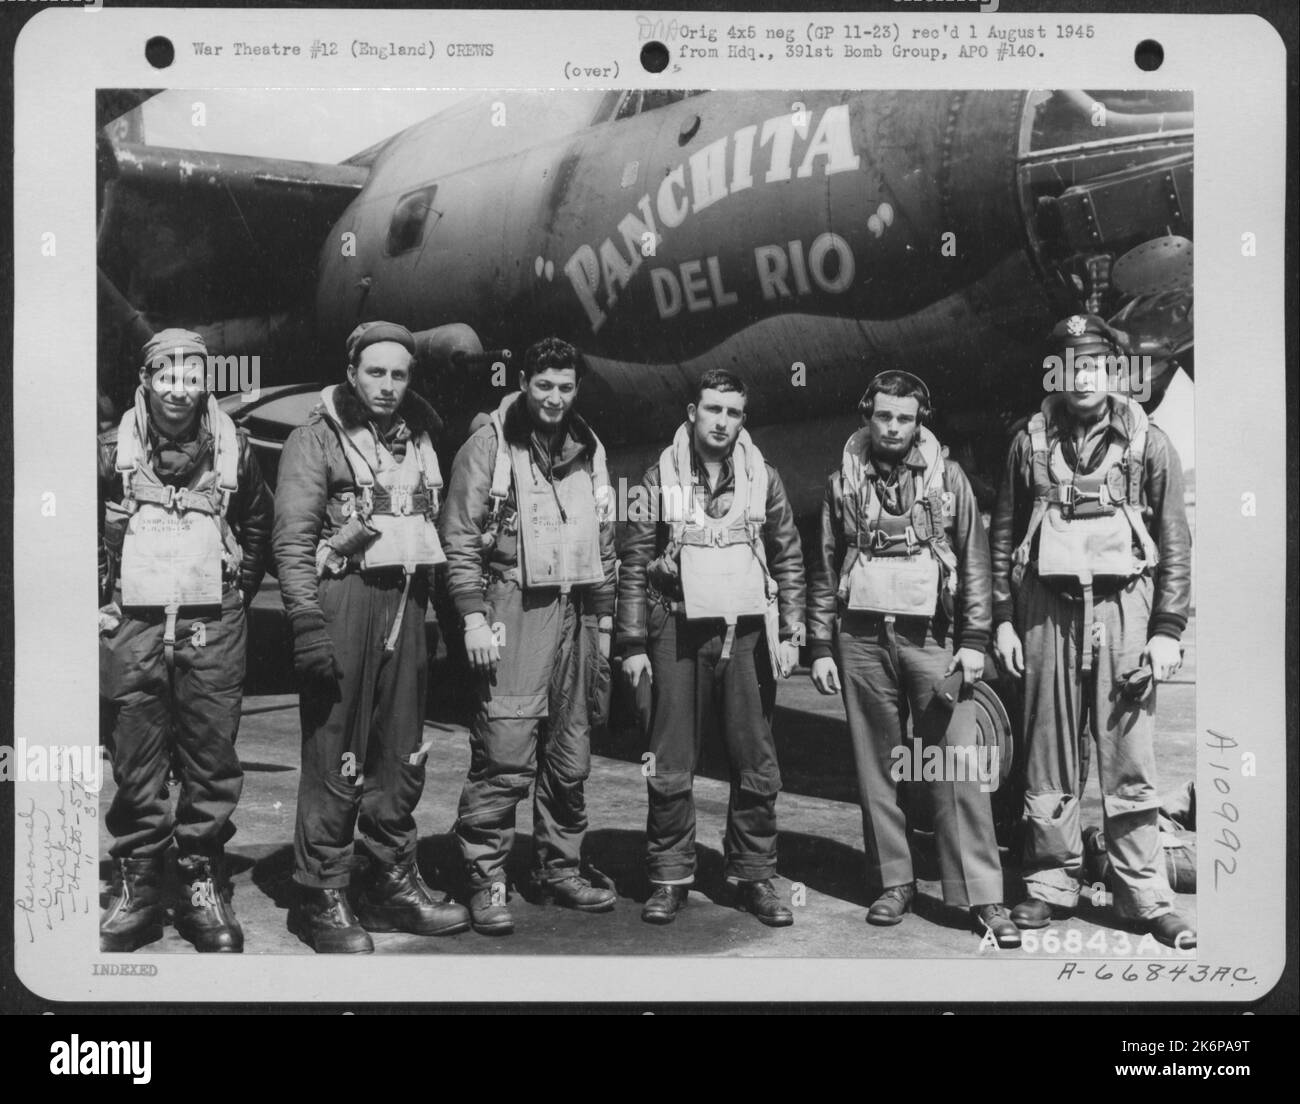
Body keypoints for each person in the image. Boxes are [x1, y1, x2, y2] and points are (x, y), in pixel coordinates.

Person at [990, 314, 1195, 948]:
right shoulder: (1028, 442)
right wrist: (1002, 620)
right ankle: (1051, 881)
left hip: (1124, 611)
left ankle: (1143, 894)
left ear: (1113, 369)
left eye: (1095, 364)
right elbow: (1003, 536)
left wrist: (1166, 629)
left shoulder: (1148, 443)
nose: (1082, 376)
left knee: (1129, 756)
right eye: (1069, 364)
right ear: (1054, 371)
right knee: (1048, 754)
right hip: (1046, 610)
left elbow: (1174, 541)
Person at [273, 321, 470, 953]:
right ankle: (320, 892)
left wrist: (443, 618)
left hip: (408, 601)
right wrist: (305, 621)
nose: (387, 386)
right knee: (339, 751)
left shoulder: (422, 437)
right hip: (346, 599)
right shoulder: (316, 438)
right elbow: (294, 541)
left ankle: (389, 884)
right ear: (353, 372)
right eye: (376, 373)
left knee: (401, 750)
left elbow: (433, 526)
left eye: (400, 374)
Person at [806, 370, 1020, 947]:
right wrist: (821, 646)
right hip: (861, 638)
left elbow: (974, 560)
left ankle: (981, 893)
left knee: (954, 763)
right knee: (877, 766)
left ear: (919, 419)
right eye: (883, 416)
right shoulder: (842, 484)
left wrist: (974, 642)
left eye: (904, 417)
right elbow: (825, 569)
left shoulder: (950, 481)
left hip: (932, 641)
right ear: (866, 416)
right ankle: (893, 881)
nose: (893, 427)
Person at [98, 329, 272, 953]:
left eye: (191, 377)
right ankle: (140, 883)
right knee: (135, 752)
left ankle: (201, 875)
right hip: (135, 621)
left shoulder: (235, 452)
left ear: (206, 383)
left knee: (211, 750)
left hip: (211, 619)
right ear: (146, 380)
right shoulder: (109, 454)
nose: (179, 389)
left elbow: (257, 524)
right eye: (166, 376)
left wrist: (236, 598)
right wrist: (99, 601)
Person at [440, 337, 618, 935]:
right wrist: (470, 614)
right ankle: (485, 875)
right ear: (523, 381)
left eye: (566, 387)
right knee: (507, 751)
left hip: (577, 611)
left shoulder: (588, 446)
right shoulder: (488, 444)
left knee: (570, 754)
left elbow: (606, 539)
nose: (554, 398)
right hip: (513, 605)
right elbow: (460, 536)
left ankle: (558, 867)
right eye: (544, 385)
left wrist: (607, 623)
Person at [617, 370, 805, 927]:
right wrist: (631, 643)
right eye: (713, 409)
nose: (722, 422)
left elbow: (788, 554)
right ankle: (670, 876)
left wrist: (792, 632)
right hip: (677, 628)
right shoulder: (659, 475)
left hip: (746, 632)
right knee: (671, 761)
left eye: (733, 412)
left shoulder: (762, 477)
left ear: (742, 418)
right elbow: (633, 563)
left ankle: (754, 875)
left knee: (756, 761)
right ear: (693, 411)